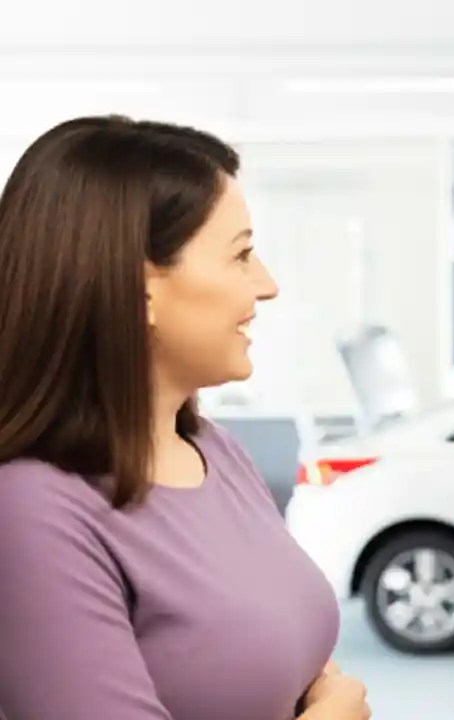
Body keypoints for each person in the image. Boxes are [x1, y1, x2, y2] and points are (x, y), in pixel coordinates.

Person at [0, 116, 371, 720]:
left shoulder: (213, 450)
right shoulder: (30, 511)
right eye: (242, 255)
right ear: (140, 289)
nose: (267, 285)